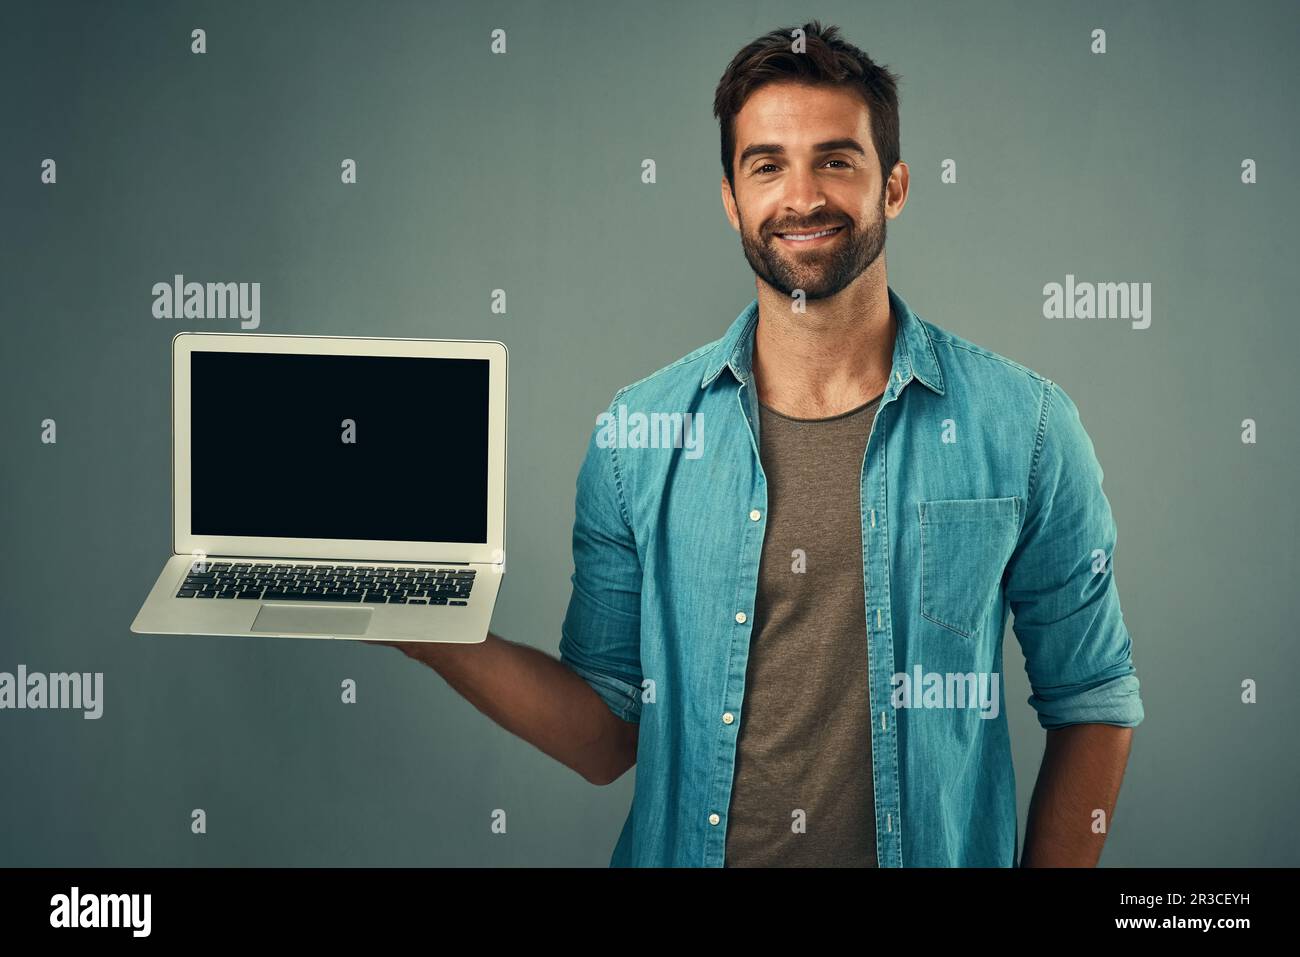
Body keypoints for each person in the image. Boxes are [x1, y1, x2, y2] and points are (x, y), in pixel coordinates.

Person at [372, 20, 1144, 868]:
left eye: (836, 159)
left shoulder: (1024, 427)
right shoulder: (640, 437)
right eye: (767, 164)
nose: (802, 195)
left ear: (894, 186)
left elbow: (1092, 699)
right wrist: (424, 628)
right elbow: (604, 737)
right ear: (732, 199)